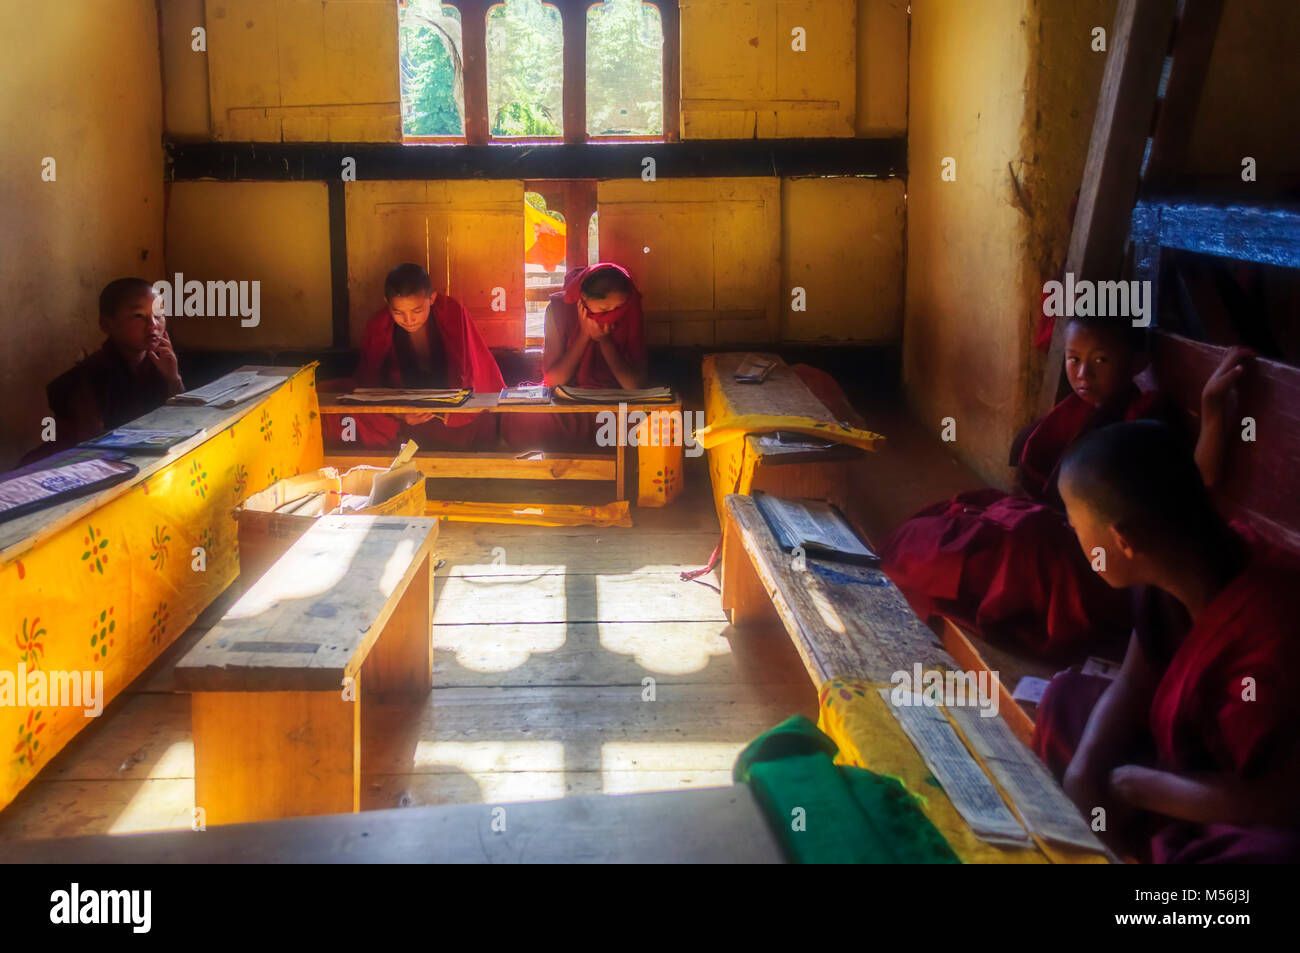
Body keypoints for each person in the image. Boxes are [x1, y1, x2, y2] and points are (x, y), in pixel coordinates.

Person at [878, 316, 1246, 661]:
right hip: (1069, 529)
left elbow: (1192, 486)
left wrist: (1212, 412)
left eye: (1100, 360)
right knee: (966, 515)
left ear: (1138, 362)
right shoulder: (1080, 408)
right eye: (1074, 359)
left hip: (1107, 556)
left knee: (1003, 543)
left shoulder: (1147, 418)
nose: (1084, 374)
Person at [1035, 420, 1300, 863]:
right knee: (1065, 700)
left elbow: (1279, 798)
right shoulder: (1173, 570)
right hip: (1181, 771)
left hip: (1256, 807)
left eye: (1078, 526)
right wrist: (1084, 775)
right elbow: (1133, 686)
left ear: (1122, 539)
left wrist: (1140, 787)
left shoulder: (1273, 622)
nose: (1075, 537)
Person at [322, 263, 504, 450]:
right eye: (398, 312)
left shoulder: (452, 313)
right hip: (402, 406)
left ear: (432, 298)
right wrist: (399, 412)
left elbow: (471, 369)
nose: (409, 320)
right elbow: (369, 382)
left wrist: (444, 410)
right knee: (349, 405)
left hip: (450, 409)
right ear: (387, 303)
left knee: (479, 420)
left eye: (417, 311)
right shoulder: (379, 325)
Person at [502, 262, 647, 452]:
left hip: (614, 404)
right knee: (519, 418)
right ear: (583, 299)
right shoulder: (559, 309)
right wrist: (584, 336)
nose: (612, 315)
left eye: (618, 309)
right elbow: (553, 379)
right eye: (604, 309)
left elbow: (634, 386)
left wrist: (605, 342)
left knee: (646, 422)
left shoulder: (630, 308)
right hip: (567, 403)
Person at [45, 277, 184, 447]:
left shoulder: (164, 363)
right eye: (139, 316)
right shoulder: (86, 378)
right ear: (106, 324)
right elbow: (94, 444)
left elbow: (184, 421)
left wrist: (173, 379)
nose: (153, 325)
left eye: (158, 315)